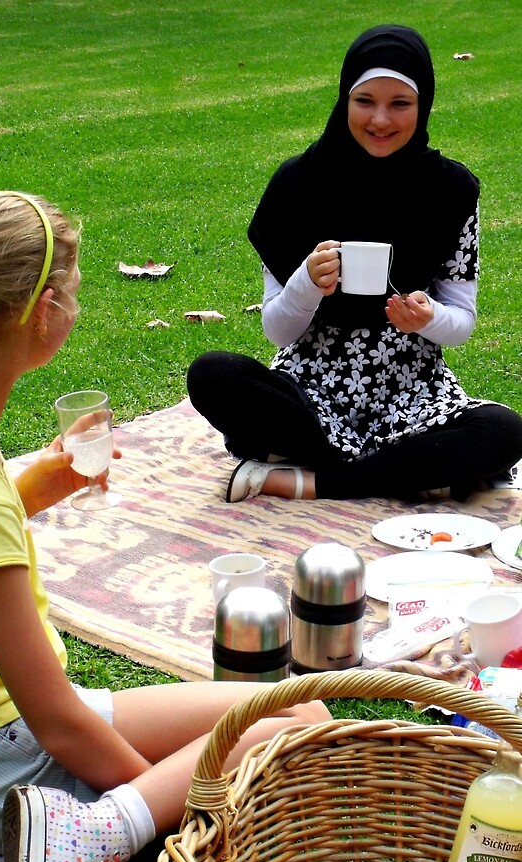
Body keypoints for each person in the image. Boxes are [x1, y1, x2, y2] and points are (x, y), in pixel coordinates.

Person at [0, 190, 330, 862]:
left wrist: (38, 482)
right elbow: (53, 718)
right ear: (39, 310)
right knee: (286, 735)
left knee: (294, 704)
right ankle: (68, 848)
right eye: (74, 293)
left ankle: (5, 853)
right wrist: (151, 818)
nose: (77, 307)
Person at [187, 24, 522, 504]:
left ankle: (308, 479)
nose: (380, 119)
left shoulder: (450, 192)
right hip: (311, 388)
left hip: (412, 392)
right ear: (345, 98)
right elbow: (278, 332)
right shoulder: (297, 185)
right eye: (365, 101)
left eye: (400, 104)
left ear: (422, 105)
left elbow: (461, 321)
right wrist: (305, 284)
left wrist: (428, 320)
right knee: (212, 374)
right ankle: (408, 472)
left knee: (503, 431)